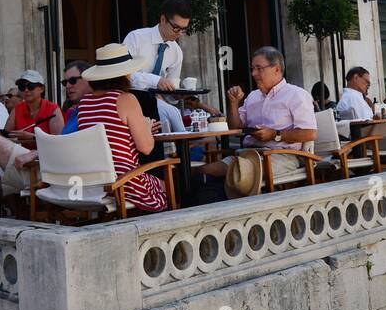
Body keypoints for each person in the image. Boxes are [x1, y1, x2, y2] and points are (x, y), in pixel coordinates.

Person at [194, 47, 318, 188]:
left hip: (282, 156)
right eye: (252, 69)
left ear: (276, 69)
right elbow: (235, 127)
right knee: (202, 171)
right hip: (247, 155)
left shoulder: (296, 94)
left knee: (238, 176)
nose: (253, 73)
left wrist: (275, 134)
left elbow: (310, 133)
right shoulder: (253, 96)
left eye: (259, 69)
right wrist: (234, 103)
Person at [73, 44, 169, 213]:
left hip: (93, 181)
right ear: (124, 73)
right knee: (169, 185)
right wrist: (146, 128)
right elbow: (146, 148)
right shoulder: (126, 99)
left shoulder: (84, 104)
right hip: (123, 181)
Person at [4, 70, 64, 148]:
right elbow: (6, 135)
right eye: (22, 87)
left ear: (42, 88)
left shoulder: (53, 109)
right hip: (23, 153)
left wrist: (33, 137)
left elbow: (59, 141)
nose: (26, 90)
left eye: (31, 86)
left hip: (47, 154)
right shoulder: (17, 109)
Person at [58, 61, 93, 133]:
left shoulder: (100, 107)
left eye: (72, 81)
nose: (67, 86)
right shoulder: (74, 111)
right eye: (65, 82)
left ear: (88, 79)